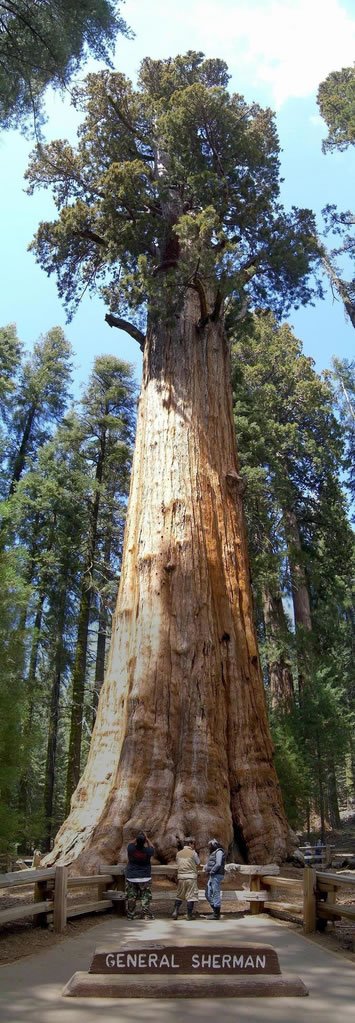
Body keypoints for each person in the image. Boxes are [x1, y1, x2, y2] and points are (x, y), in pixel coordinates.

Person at [125, 831, 155, 920]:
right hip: (145, 877)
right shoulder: (148, 851)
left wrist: (137, 838)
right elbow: (152, 847)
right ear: (144, 841)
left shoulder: (131, 849)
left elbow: (130, 843)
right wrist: (147, 839)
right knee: (145, 896)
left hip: (132, 877)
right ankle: (146, 914)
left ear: (136, 841)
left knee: (131, 897)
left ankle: (130, 915)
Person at [172, 836, 200, 920]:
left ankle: (175, 911)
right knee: (191, 896)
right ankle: (189, 915)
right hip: (191, 877)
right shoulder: (193, 853)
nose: (194, 845)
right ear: (190, 844)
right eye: (193, 844)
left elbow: (178, 862)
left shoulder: (178, 853)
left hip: (181, 877)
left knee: (179, 895)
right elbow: (198, 863)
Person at [204, 838, 226, 919]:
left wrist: (211, 871)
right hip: (213, 875)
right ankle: (215, 911)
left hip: (216, 875)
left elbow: (218, 864)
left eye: (210, 845)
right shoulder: (214, 852)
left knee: (215, 893)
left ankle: (216, 914)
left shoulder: (219, 852)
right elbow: (211, 863)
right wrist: (206, 868)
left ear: (214, 845)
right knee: (207, 893)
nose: (209, 847)